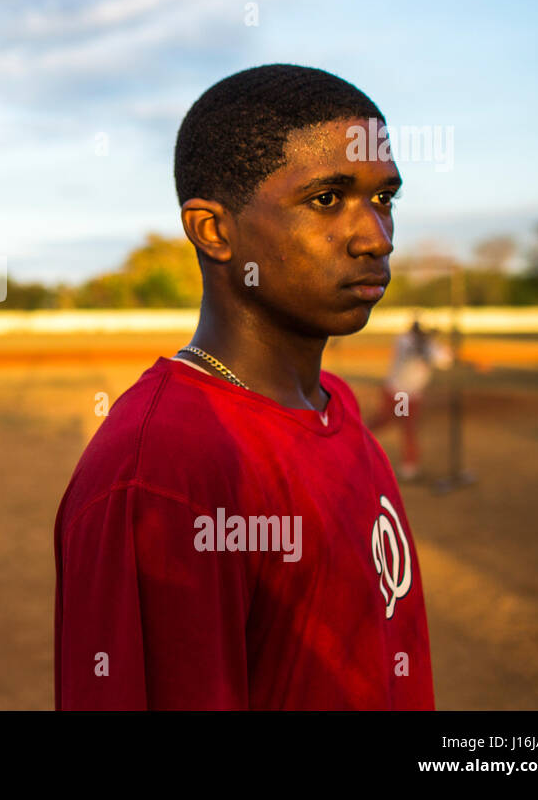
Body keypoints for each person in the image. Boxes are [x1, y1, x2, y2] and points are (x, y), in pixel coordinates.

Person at [54, 64, 434, 709]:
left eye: (384, 198)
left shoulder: (335, 407)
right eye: (326, 199)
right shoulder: (164, 469)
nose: (376, 236)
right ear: (214, 230)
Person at [369, 318, 452, 480]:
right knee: (396, 423)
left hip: (410, 394)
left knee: (400, 424)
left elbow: (445, 360)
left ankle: (409, 464)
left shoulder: (429, 345)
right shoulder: (404, 340)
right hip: (400, 393)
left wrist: (432, 342)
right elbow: (417, 350)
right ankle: (409, 464)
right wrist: (429, 342)